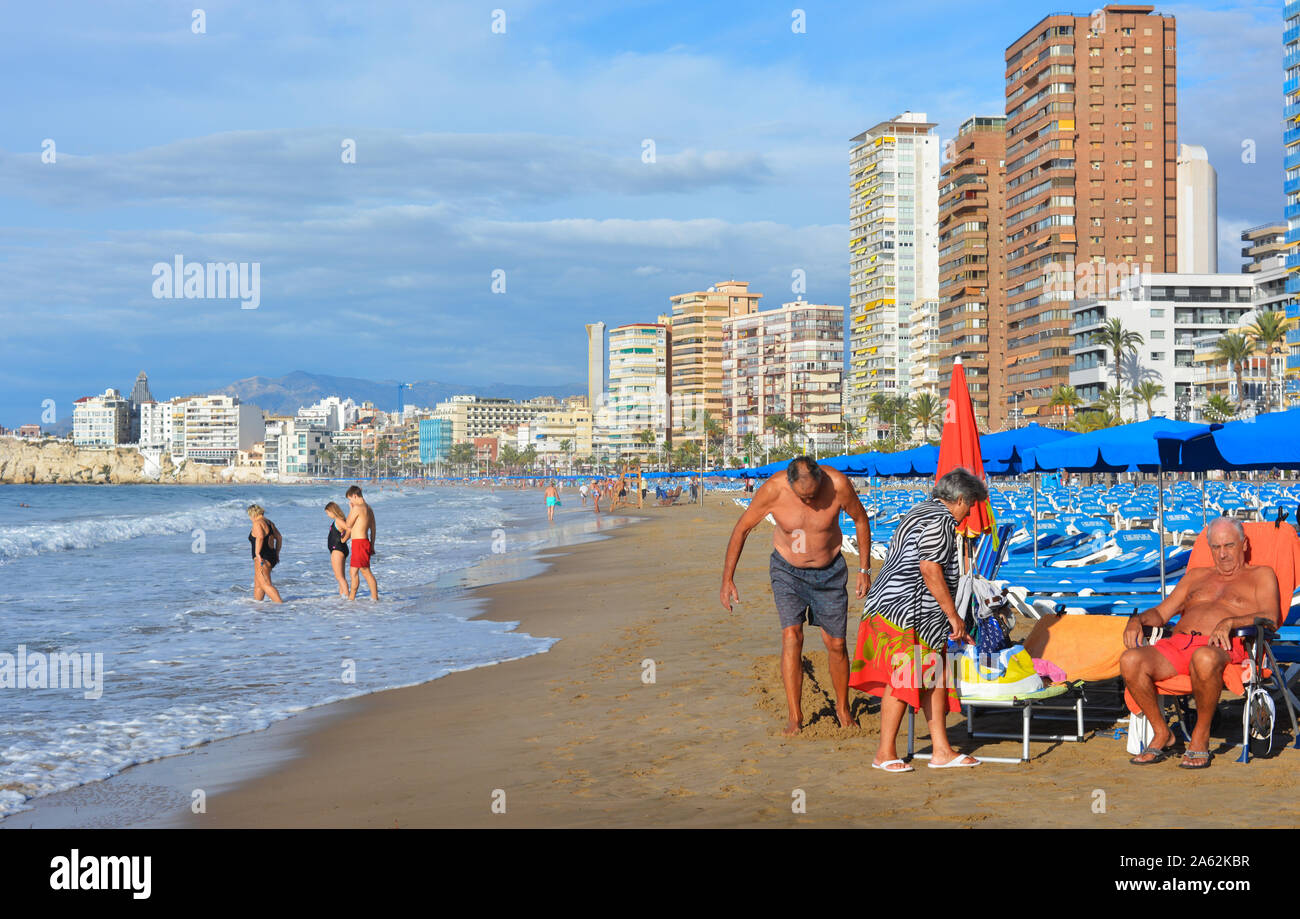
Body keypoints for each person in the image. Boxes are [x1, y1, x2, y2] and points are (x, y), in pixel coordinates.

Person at [720, 456, 872, 736]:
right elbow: (742, 528)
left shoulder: (838, 484)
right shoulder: (773, 490)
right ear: (791, 485)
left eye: (814, 494)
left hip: (831, 571)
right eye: (803, 496)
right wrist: (727, 579)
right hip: (787, 571)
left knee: (836, 643)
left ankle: (842, 707)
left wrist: (864, 569)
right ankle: (795, 715)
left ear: (821, 480)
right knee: (792, 636)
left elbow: (861, 520)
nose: (810, 501)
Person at [849, 469, 988, 772]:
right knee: (905, 678)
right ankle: (884, 753)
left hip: (916, 613)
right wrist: (954, 616)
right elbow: (930, 569)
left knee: (935, 677)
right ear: (960, 499)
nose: (969, 513)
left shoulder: (920, 511)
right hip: (906, 612)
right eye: (971, 504)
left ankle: (941, 750)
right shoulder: (940, 520)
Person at [1121, 516, 1281, 769]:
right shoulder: (1196, 576)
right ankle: (1162, 732)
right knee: (1130, 660)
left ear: (1244, 544)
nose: (1223, 554)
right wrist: (1136, 620)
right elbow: (1162, 614)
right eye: (1216, 548)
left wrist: (1232, 622)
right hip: (1179, 644)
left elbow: (1271, 618)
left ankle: (1200, 735)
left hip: (1224, 646)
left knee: (1204, 657)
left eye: (1229, 545)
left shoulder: (1261, 575)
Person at [344, 485, 379, 601]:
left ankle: (375, 598)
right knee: (353, 571)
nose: (350, 501)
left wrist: (350, 509)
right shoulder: (369, 508)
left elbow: (348, 524)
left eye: (350, 499)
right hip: (364, 542)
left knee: (365, 571)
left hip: (359, 543)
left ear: (354, 496)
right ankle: (351, 598)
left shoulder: (357, 508)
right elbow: (373, 529)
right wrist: (372, 545)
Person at [246, 504, 283, 604]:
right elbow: (279, 537)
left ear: (253, 514)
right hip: (271, 556)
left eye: (249, 516)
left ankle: (283, 608)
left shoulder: (257, 523)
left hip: (262, 558)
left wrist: (257, 554)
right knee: (258, 584)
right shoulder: (269, 522)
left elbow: (261, 537)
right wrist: (277, 553)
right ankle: (258, 607)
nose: (250, 518)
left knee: (265, 584)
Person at [325, 501, 351, 597]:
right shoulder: (339, 520)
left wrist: (344, 539)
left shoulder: (338, 521)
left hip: (338, 550)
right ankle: (343, 596)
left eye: (328, 513)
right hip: (340, 549)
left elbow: (349, 529)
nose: (327, 515)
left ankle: (348, 598)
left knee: (339, 577)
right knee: (341, 577)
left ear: (332, 511)